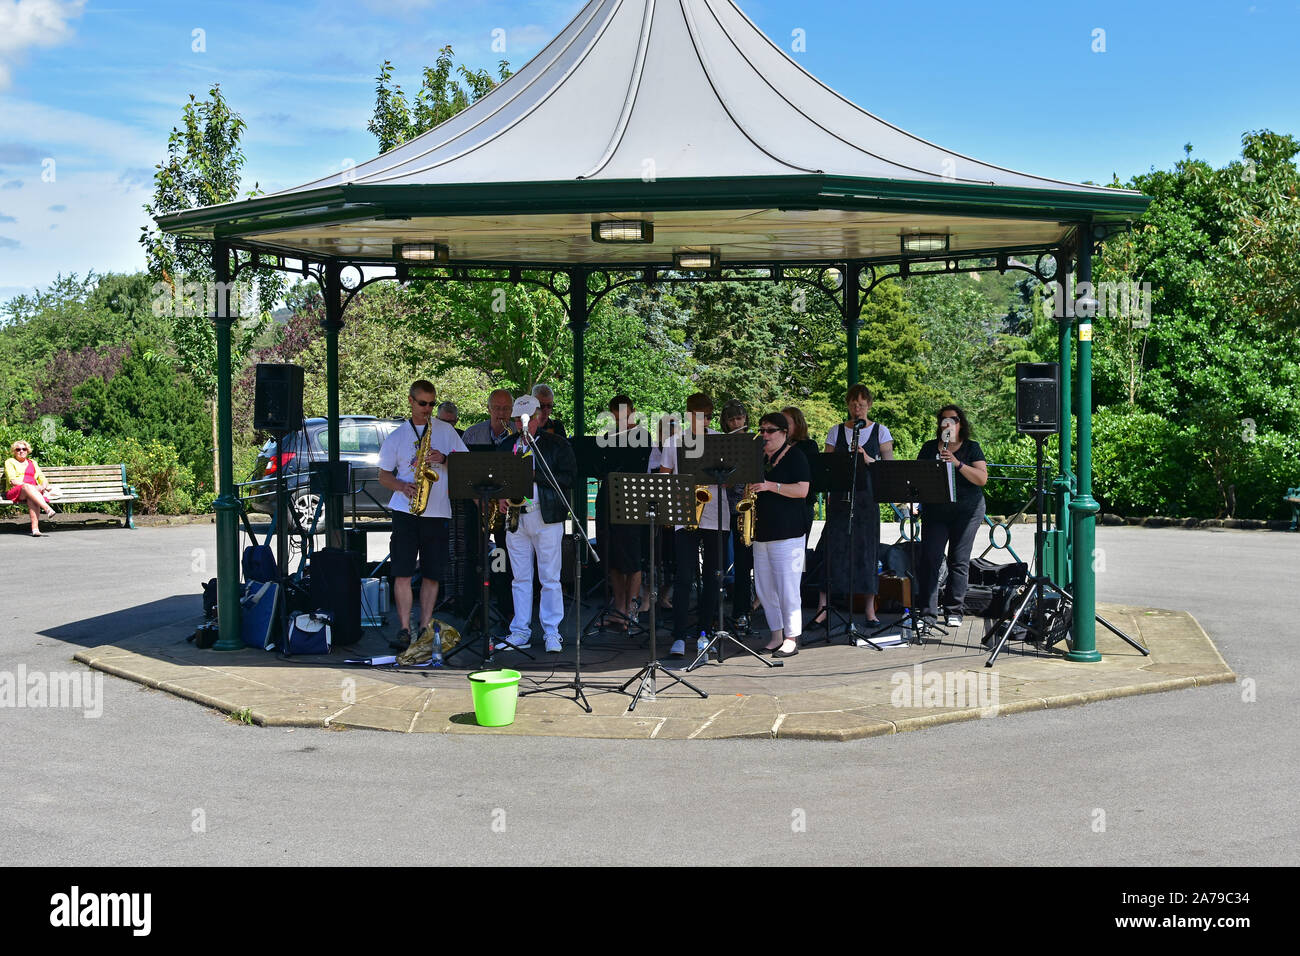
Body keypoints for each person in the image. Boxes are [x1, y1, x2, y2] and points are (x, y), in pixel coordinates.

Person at [377, 380, 468, 650]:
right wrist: (402, 486)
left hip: (438, 511)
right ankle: (404, 629)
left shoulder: (446, 431)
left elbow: (465, 464)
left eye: (432, 404)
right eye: (422, 403)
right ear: (411, 401)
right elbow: (382, 476)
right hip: (406, 510)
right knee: (403, 572)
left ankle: (425, 626)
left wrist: (444, 459)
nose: (428, 409)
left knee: (432, 573)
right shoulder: (396, 436)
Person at [498, 398, 577, 653]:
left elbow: (569, 478)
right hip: (516, 517)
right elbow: (497, 477)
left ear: (536, 418)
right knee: (520, 578)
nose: (523, 424)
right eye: (518, 420)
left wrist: (535, 475)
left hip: (546, 516)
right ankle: (519, 630)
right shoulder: (507, 445)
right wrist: (500, 498)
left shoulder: (556, 444)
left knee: (550, 577)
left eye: (528, 419)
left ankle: (551, 631)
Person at [811, 384, 894, 626]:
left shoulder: (881, 431)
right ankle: (823, 607)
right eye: (853, 404)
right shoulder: (835, 431)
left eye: (861, 404)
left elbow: (889, 470)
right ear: (848, 405)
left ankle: (869, 609)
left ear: (869, 405)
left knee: (867, 552)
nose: (857, 408)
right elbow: (825, 467)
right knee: (832, 550)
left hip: (867, 501)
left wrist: (868, 459)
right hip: (839, 499)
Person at [658, 393, 725, 658]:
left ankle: (704, 633)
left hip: (715, 513)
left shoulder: (721, 439)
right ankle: (678, 636)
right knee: (684, 577)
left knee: (712, 577)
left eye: (708, 416)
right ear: (688, 416)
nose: (705, 421)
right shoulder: (675, 441)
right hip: (684, 513)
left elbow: (732, 480)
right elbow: (664, 477)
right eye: (699, 417)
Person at [916, 405, 988, 627]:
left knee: (959, 560)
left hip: (967, 512)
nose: (947, 423)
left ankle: (953, 610)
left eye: (953, 419)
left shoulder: (971, 448)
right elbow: (917, 476)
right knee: (930, 558)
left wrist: (957, 464)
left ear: (960, 424)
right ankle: (926, 613)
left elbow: (982, 478)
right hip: (936, 511)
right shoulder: (929, 448)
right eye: (943, 420)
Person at [748, 413, 811, 657]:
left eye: (770, 430)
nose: (764, 435)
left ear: (784, 433)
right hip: (762, 532)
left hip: (789, 533)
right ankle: (776, 635)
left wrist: (770, 486)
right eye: (762, 430)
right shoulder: (761, 457)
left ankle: (791, 637)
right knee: (764, 588)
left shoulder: (796, 456)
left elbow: (803, 490)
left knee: (788, 588)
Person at [596, 395, 650, 630]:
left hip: (633, 499)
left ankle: (631, 609)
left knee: (632, 557)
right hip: (608, 498)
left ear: (632, 410)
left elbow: (641, 467)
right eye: (615, 411)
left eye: (624, 411)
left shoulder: (642, 435)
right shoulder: (608, 437)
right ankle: (618, 609)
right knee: (613, 558)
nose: (620, 415)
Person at [720, 399, 755, 631]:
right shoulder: (720, 444)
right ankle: (717, 616)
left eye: (740, 418)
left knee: (744, 565)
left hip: (747, 509)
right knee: (719, 563)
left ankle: (742, 612)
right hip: (723, 508)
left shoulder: (754, 441)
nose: (736, 422)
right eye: (732, 419)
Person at [781, 405, 819, 537]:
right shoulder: (774, 446)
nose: (783, 427)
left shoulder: (809, 445)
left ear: (798, 424)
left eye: (786, 423)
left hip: (802, 503)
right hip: (781, 502)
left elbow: (810, 474)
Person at [5, 440, 57, 537]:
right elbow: (13, 481)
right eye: (18, 449)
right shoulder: (10, 462)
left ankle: (35, 529)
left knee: (31, 496)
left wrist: (42, 486)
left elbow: (42, 478)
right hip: (16, 491)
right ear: (14, 451)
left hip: (32, 491)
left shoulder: (33, 462)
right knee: (28, 487)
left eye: (24, 449)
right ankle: (47, 508)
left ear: (27, 450)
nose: (21, 451)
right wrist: (34, 487)